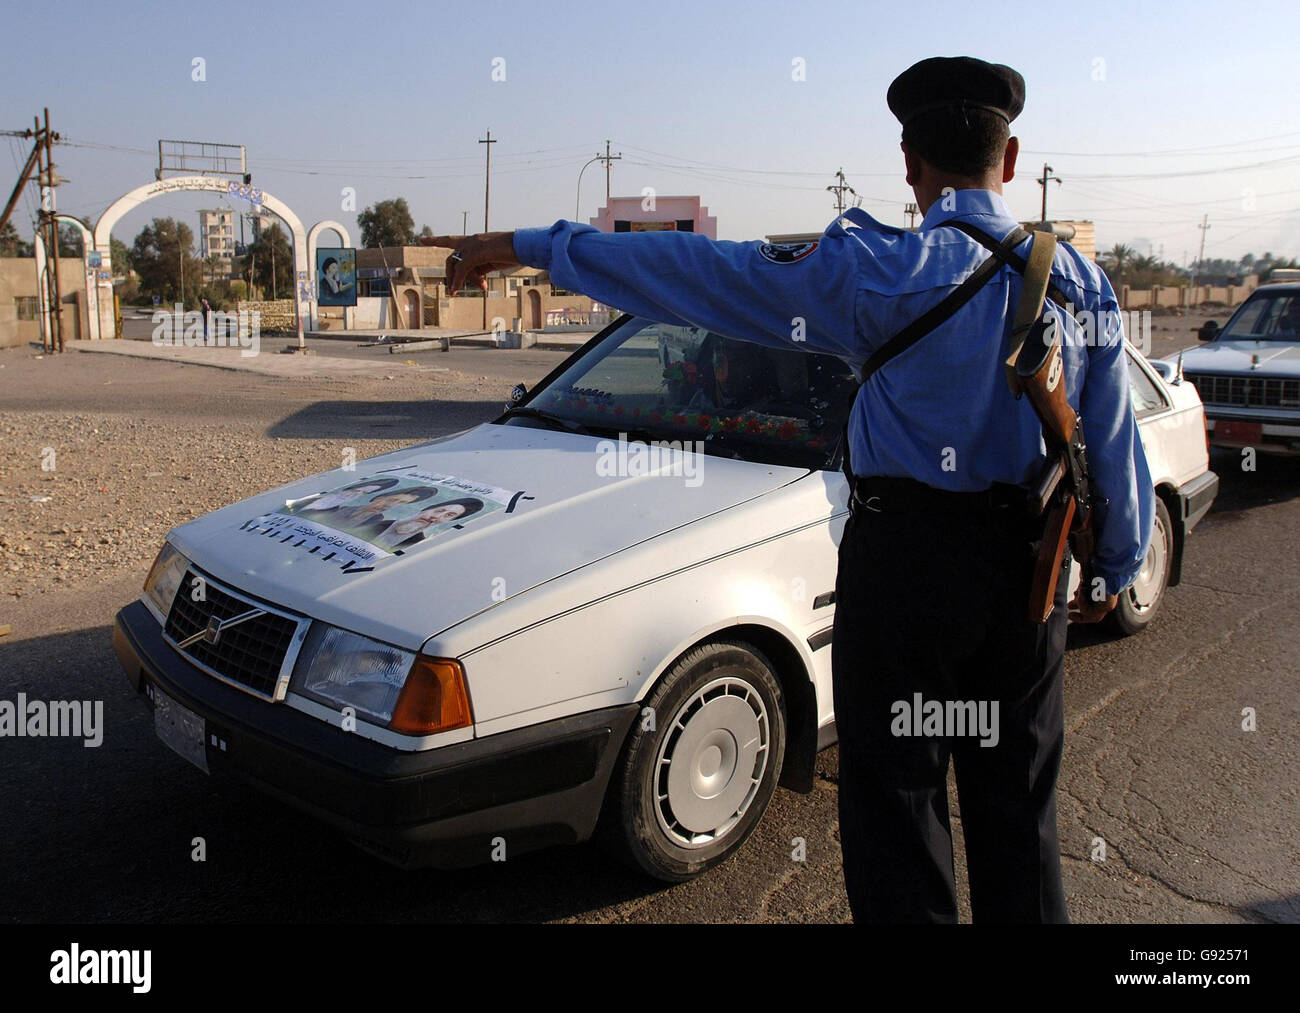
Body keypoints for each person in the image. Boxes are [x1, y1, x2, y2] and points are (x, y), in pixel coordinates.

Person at [423, 56, 1154, 924]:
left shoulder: (869, 270)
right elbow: (1110, 449)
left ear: (910, 163)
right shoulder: (1082, 283)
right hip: (1025, 579)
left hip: (904, 575)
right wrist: (1110, 566)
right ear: (1011, 156)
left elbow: (695, 270)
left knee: (899, 810)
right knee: (1017, 809)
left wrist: (535, 248)